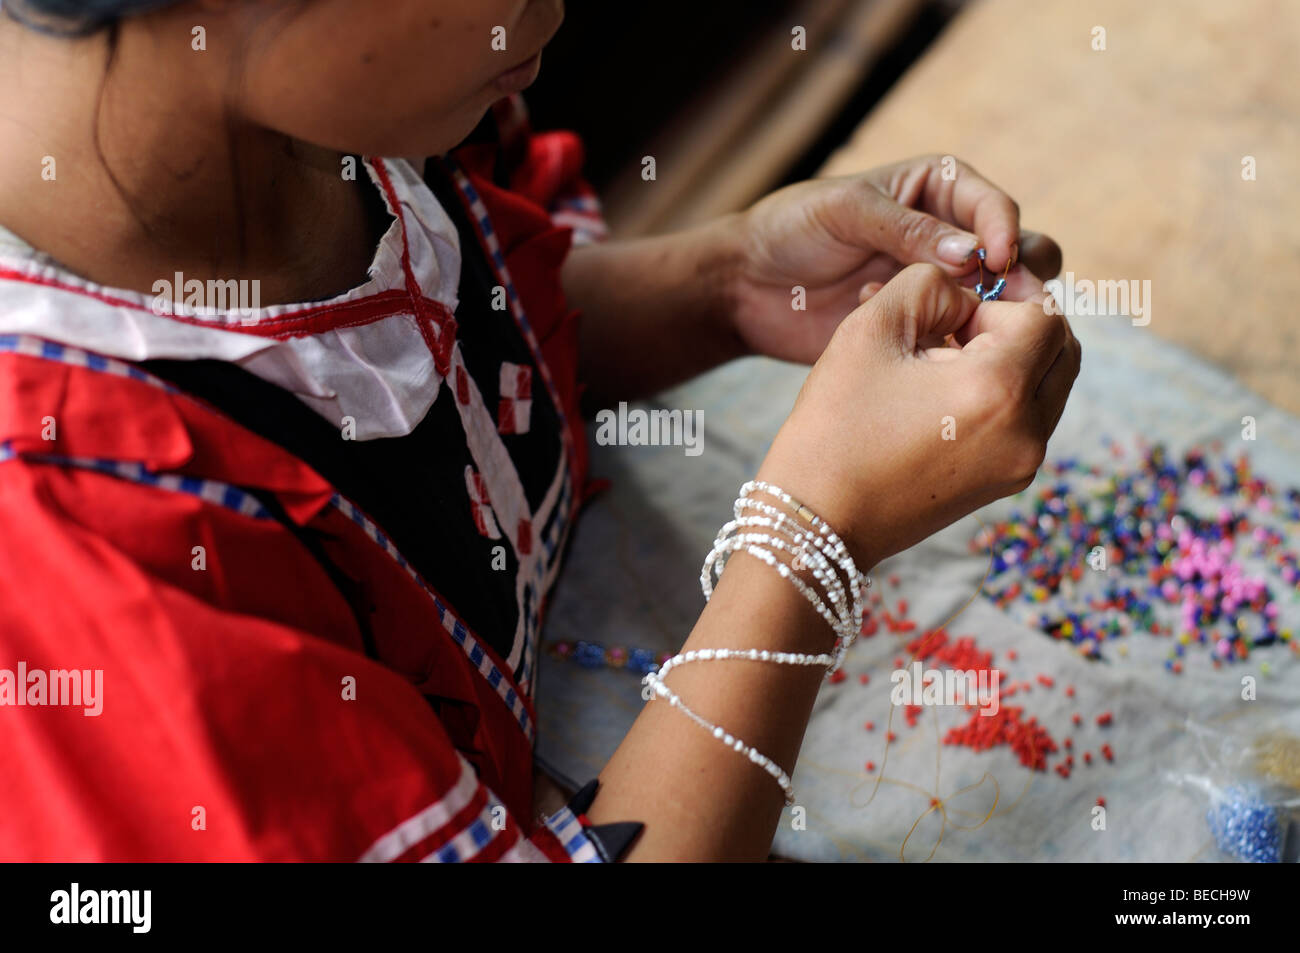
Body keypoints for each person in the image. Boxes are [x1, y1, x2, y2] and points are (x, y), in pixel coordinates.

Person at [0, 0, 1077, 862]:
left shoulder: (348, 112)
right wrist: (808, 541)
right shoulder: (81, 565)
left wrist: (723, 284)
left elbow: (429, 348)